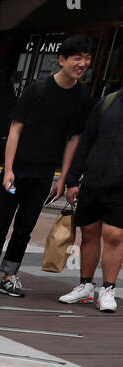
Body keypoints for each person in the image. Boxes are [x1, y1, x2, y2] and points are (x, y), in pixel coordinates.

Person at [0, 35, 93, 297]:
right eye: (77, 57)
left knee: (25, 226)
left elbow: (74, 138)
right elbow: (15, 129)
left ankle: (9, 275)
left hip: (44, 172)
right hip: (18, 170)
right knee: (0, 222)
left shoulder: (83, 95)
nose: (82, 63)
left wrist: (63, 178)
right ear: (61, 60)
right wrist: (8, 169)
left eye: (87, 57)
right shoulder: (38, 89)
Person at [59, 89, 122, 313]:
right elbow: (85, 142)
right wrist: (73, 180)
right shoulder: (107, 103)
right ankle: (86, 285)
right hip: (93, 181)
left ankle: (108, 289)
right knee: (89, 233)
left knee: (115, 235)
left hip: (120, 188)